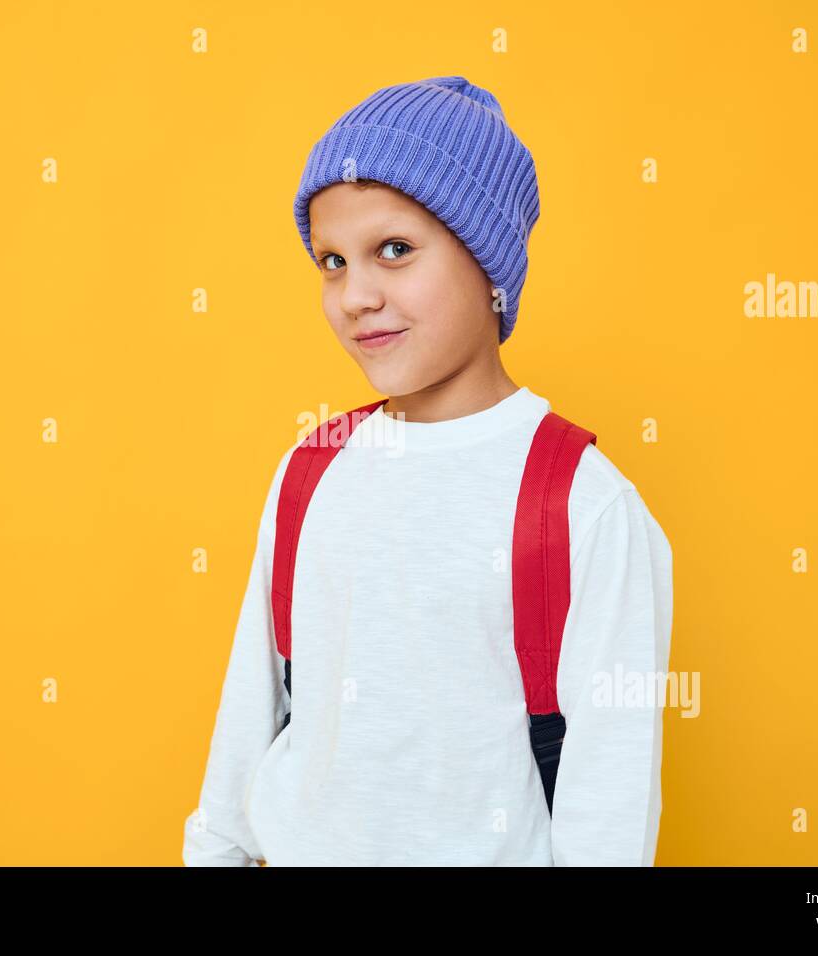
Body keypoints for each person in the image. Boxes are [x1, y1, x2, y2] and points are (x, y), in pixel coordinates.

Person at [183, 76, 674, 865]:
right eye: (332, 261)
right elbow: (251, 710)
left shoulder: (581, 503)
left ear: (489, 266)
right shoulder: (312, 469)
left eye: (395, 251)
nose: (355, 296)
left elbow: (610, 799)